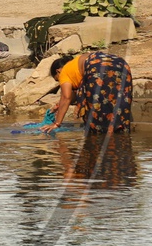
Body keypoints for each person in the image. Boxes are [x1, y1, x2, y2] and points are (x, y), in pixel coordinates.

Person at [48, 50, 136, 182]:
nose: (60, 83)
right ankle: (119, 142)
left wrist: (56, 123)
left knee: (96, 111)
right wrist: (59, 106)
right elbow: (73, 95)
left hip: (97, 66)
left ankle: (105, 147)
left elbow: (66, 97)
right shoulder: (76, 65)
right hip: (120, 63)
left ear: (58, 71)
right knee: (119, 101)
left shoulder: (65, 71)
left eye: (57, 80)